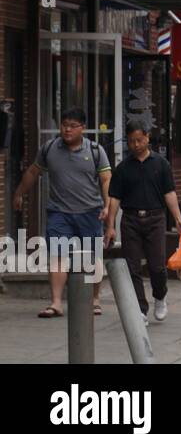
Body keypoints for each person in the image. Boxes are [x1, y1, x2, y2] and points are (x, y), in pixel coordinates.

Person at [14, 108, 112, 318]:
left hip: (90, 212)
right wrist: (19, 193)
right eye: (64, 125)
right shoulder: (49, 148)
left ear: (82, 128)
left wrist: (107, 206)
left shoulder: (95, 151)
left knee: (92, 257)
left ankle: (94, 299)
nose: (67, 129)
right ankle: (56, 302)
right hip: (59, 213)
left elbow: (106, 180)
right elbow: (33, 171)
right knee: (57, 256)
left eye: (72, 126)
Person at [105, 121, 181, 322]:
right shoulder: (123, 168)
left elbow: (169, 193)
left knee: (157, 266)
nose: (136, 145)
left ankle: (160, 296)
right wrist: (110, 226)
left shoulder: (161, 164)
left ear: (147, 138)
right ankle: (140, 309)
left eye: (139, 140)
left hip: (155, 218)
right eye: (132, 141)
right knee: (132, 267)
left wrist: (178, 218)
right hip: (131, 219)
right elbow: (114, 198)